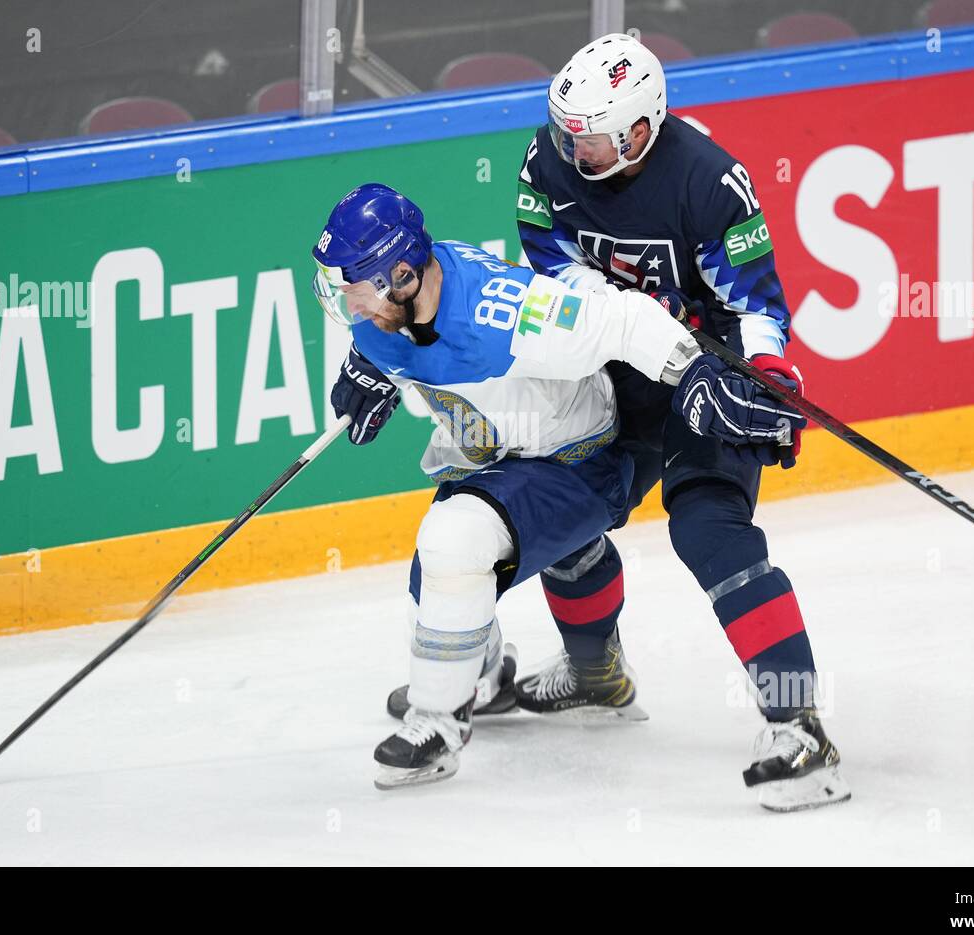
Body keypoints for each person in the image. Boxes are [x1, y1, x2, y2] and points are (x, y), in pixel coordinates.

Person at [314, 183, 804, 791]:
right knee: (432, 579)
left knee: (456, 543)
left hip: (580, 464)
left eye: (355, 289)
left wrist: (697, 374)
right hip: (503, 457)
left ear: (403, 276)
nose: (349, 305)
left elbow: (624, 319)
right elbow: (392, 348)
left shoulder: (508, 312)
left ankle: (437, 722)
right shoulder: (392, 313)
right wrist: (366, 372)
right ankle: (488, 677)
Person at [507, 33, 848, 811]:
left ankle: (799, 726)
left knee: (710, 530)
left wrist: (763, 377)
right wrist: (630, 316)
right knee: (559, 507)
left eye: (590, 137)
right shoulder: (547, 164)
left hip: (703, 374)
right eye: (568, 132)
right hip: (609, 366)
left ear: (639, 128)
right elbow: (552, 263)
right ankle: (597, 677)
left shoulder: (710, 180)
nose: (572, 148)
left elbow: (755, 305)